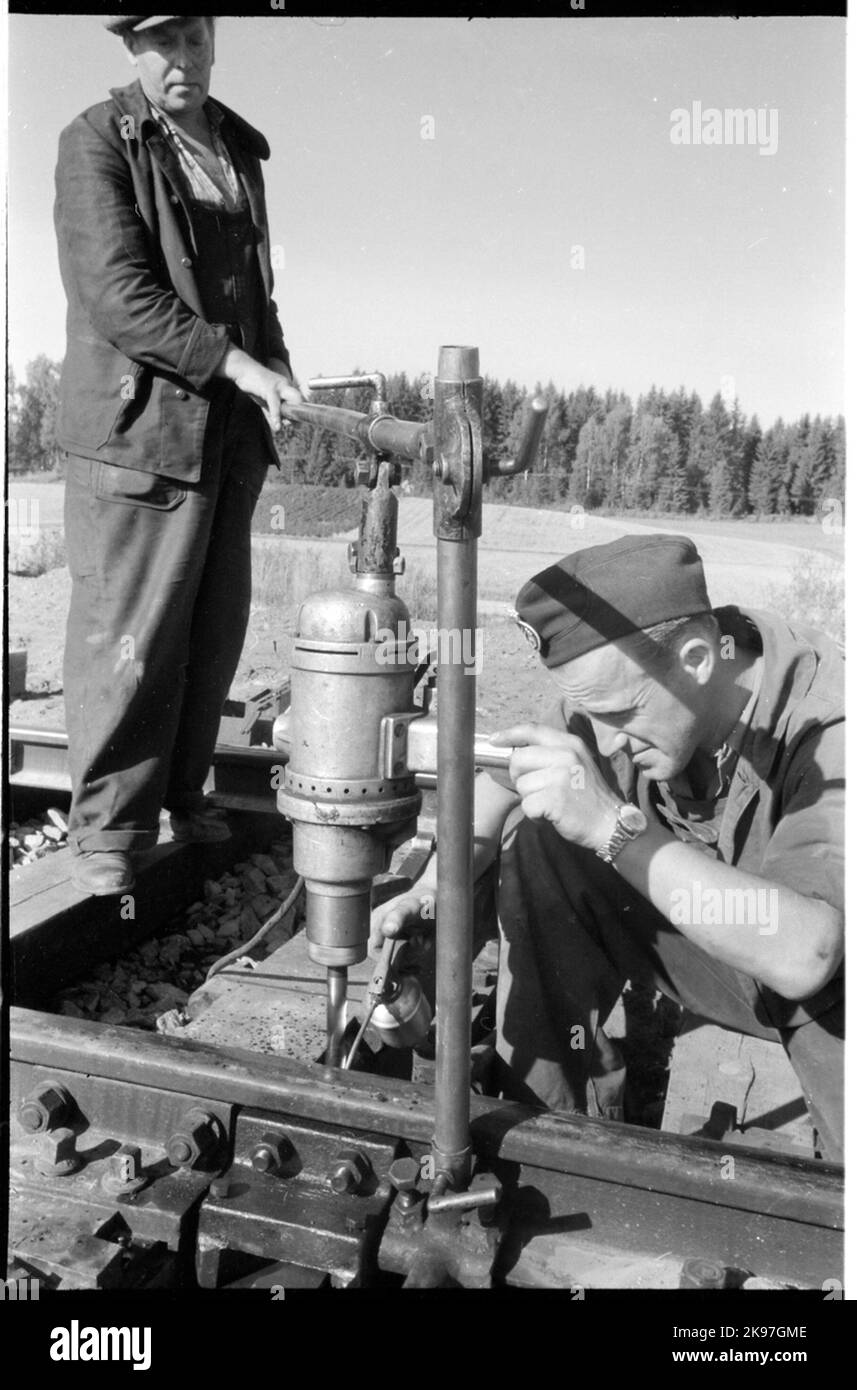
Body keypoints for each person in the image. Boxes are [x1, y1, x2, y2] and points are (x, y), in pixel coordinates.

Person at [372, 534, 845, 1161]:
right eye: (589, 714)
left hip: (823, 981)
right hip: (721, 952)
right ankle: (548, 1141)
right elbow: (505, 777)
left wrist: (613, 830)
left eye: (622, 715)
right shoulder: (622, 684)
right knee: (543, 842)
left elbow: (807, 954)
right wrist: (434, 884)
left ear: (699, 657)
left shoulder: (832, 727)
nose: (610, 743)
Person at [54, 15, 304, 896]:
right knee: (132, 635)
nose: (181, 60)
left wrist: (275, 367)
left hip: (226, 436)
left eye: (193, 38)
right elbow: (119, 294)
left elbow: (253, 289)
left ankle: (181, 794)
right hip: (139, 436)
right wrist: (233, 363)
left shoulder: (236, 147)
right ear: (131, 48)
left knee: (210, 627)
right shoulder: (95, 142)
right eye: (160, 43)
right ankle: (107, 833)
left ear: (212, 39)